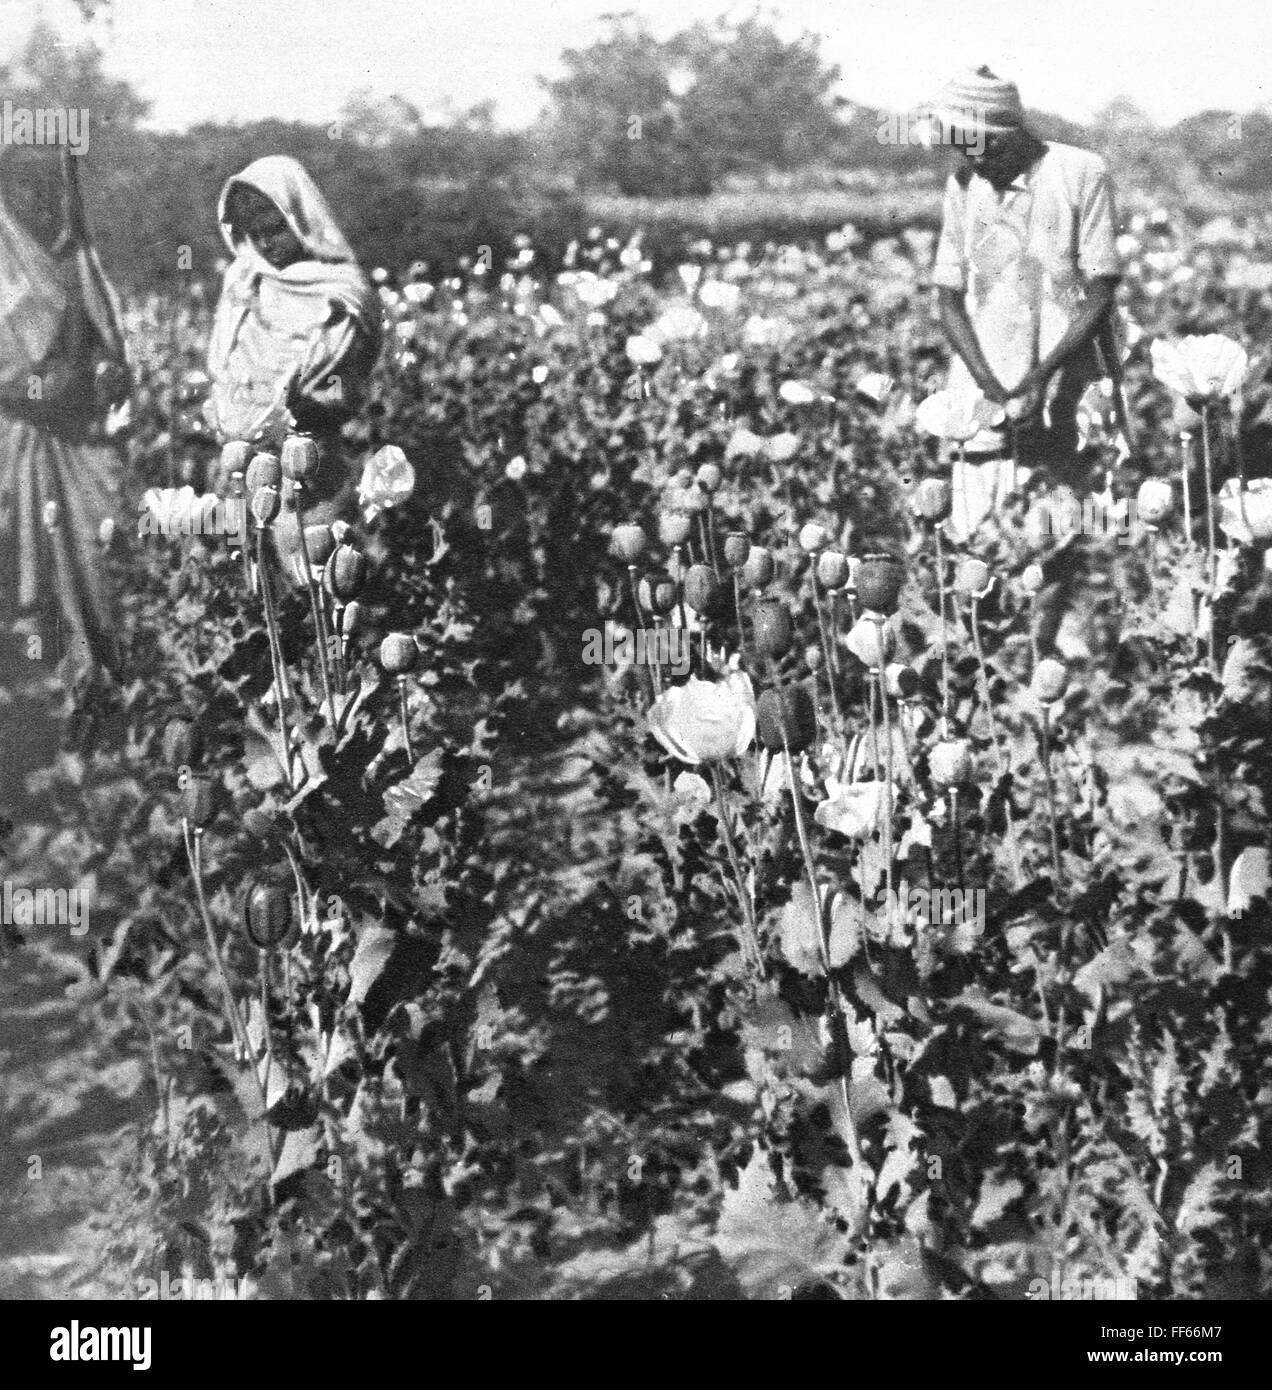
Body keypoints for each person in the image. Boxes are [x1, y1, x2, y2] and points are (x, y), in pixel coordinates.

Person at [923, 67, 1124, 544]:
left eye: (981, 147)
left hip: (1066, 374)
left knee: (1066, 535)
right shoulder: (963, 185)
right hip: (984, 380)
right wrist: (989, 384)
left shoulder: (1079, 173)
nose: (973, 161)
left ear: (1009, 134)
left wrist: (1043, 377)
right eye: (961, 149)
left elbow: (1100, 289)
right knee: (980, 538)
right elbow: (949, 297)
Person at [205, 156, 381, 574]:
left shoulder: (340, 292)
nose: (266, 244)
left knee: (317, 578)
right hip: (239, 464)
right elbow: (222, 367)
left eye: (275, 229)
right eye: (254, 233)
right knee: (252, 592)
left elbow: (332, 384)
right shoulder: (244, 282)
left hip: (310, 467)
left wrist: (287, 405)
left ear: (301, 217)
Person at [0, 146, 129, 692]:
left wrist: (108, 374)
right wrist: (47, 390)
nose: (40, 205)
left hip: (87, 441)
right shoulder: (6, 272)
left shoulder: (81, 265)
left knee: (101, 562)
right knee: (27, 557)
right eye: (22, 191)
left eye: (49, 191)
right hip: (23, 437)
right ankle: (46, 681)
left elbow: (112, 345)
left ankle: (104, 676)